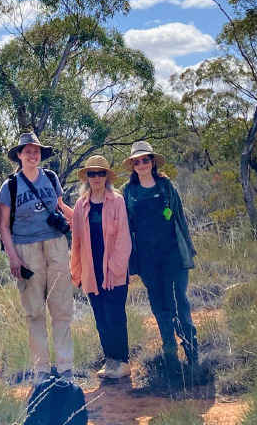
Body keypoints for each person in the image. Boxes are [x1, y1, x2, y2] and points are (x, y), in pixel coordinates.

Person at [120, 141, 207, 385]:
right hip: (147, 258)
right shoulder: (128, 191)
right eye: (137, 161)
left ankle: (192, 357)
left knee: (179, 302)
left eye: (145, 159)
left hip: (173, 255)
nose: (141, 164)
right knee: (159, 306)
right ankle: (171, 360)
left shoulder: (166, 186)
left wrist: (188, 250)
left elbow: (178, 217)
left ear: (153, 162)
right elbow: (125, 227)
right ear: (132, 165)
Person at [0, 132, 76, 384]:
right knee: (34, 310)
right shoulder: (10, 186)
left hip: (55, 245)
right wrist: (13, 258)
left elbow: (60, 207)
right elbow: (3, 225)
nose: (32, 155)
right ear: (19, 155)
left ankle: (65, 367)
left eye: (36, 151)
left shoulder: (51, 178)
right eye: (27, 151)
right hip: (26, 248)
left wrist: (81, 219)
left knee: (61, 307)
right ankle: (41, 369)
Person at [69, 155, 132, 380]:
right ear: (87, 177)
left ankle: (122, 361)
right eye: (92, 173)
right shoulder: (81, 204)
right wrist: (77, 272)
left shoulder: (117, 201)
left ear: (107, 176)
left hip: (114, 271)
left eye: (100, 173)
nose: (96, 177)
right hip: (91, 271)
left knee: (115, 316)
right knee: (101, 318)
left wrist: (114, 269)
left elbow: (123, 239)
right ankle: (110, 360)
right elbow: (76, 241)